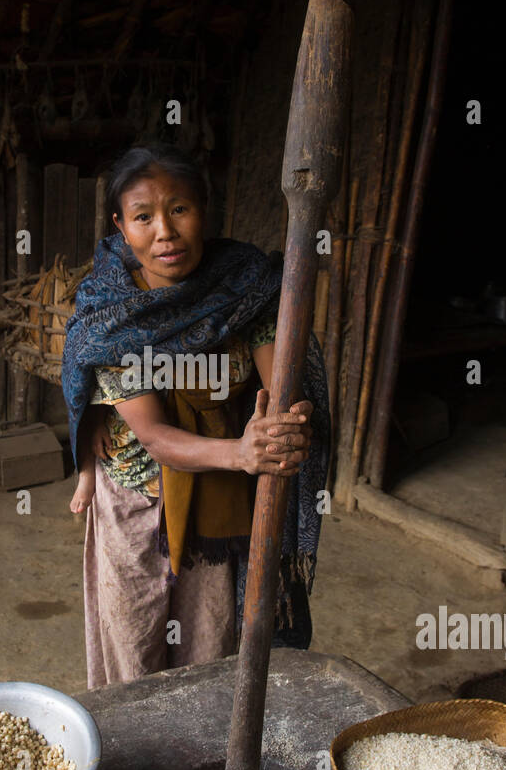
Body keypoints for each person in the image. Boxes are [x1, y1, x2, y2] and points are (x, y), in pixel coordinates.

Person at [62, 143, 330, 689]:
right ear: (121, 226)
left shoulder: (245, 283)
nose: (165, 231)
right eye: (143, 217)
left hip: (218, 503)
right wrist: (242, 452)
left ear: (204, 209)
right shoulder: (112, 309)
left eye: (179, 209)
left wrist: (285, 425)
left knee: (206, 655)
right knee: (133, 656)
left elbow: (280, 379)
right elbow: (156, 437)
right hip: (137, 504)